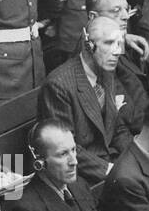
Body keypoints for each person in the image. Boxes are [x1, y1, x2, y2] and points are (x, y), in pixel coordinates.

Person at [36, 15, 132, 189]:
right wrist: (111, 171)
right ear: (88, 46)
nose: (117, 51)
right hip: (81, 174)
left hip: (111, 162)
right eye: (109, 43)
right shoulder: (59, 85)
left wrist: (137, 158)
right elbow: (66, 149)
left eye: (119, 43)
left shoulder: (106, 71)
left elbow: (117, 129)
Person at [86, 0, 149, 132]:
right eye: (116, 11)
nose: (126, 16)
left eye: (126, 9)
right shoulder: (95, 57)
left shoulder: (116, 40)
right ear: (93, 16)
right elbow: (127, 117)